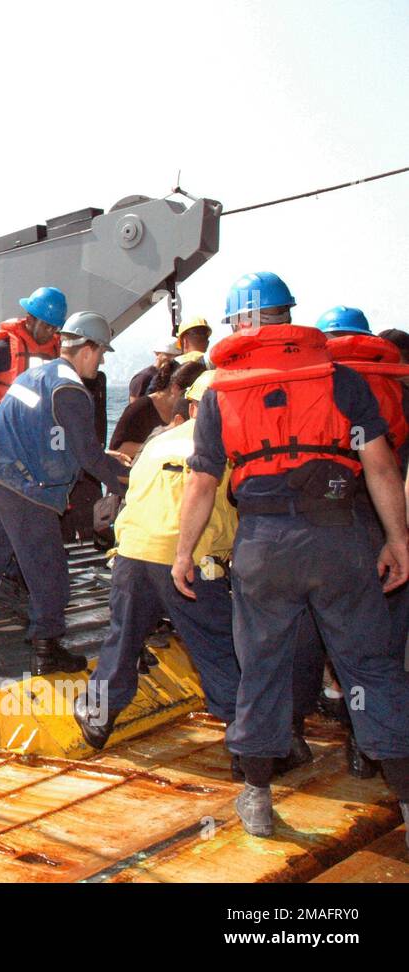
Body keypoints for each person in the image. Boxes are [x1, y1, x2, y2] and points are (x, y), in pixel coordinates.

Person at [175, 271, 409, 843]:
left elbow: (203, 483)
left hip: (263, 545)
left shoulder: (221, 389)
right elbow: (381, 467)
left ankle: (256, 797)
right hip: (340, 541)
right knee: (371, 668)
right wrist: (399, 540)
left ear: (245, 321)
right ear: (286, 316)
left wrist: (184, 554)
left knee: (263, 666)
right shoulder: (342, 379)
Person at [0, 312, 130, 671]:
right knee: (48, 567)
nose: (103, 360)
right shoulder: (72, 390)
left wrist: (100, 456)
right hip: (24, 487)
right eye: (102, 352)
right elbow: (88, 456)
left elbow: (44, 431)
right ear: (88, 349)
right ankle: (47, 649)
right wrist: (130, 478)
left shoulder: (36, 374)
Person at [76, 368, 239, 751]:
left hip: (133, 552)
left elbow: (133, 494)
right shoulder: (229, 447)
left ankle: (98, 716)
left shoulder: (157, 441)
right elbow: (232, 510)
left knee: (124, 636)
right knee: (217, 645)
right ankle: (248, 740)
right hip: (188, 559)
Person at [291, 305, 409, 777]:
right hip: (382, 520)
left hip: (318, 522)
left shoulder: (310, 381)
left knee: (302, 630)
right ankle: (373, 747)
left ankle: (289, 734)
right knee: (376, 645)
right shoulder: (396, 387)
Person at [0, 285, 66, 440]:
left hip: (42, 438)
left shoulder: (58, 354)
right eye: (46, 326)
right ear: (30, 319)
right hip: (6, 436)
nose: (50, 332)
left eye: (54, 327)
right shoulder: (2, 349)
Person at [109, 361, 181, 458]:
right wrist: (160, 447)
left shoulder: (184, 409)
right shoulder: (140, 407)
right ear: (175, 389)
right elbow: (117, 448)